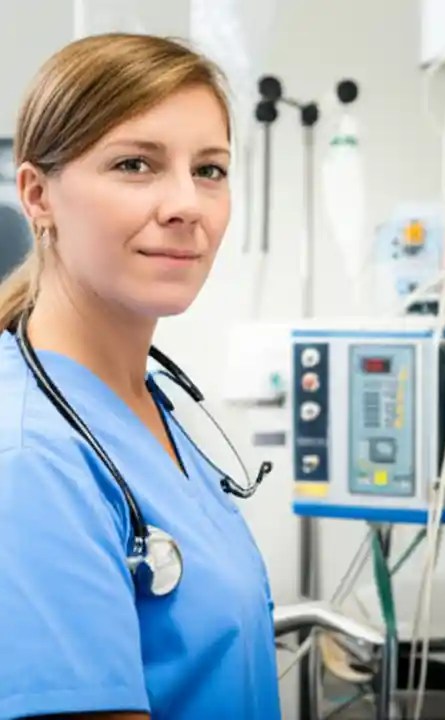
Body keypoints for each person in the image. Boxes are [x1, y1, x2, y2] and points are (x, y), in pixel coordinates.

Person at [0, 34, 280, 718]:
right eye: (136, 164)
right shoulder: (30, 459)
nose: (187, 204)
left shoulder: (138, 403)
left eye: (210, 170)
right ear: (38, 195)